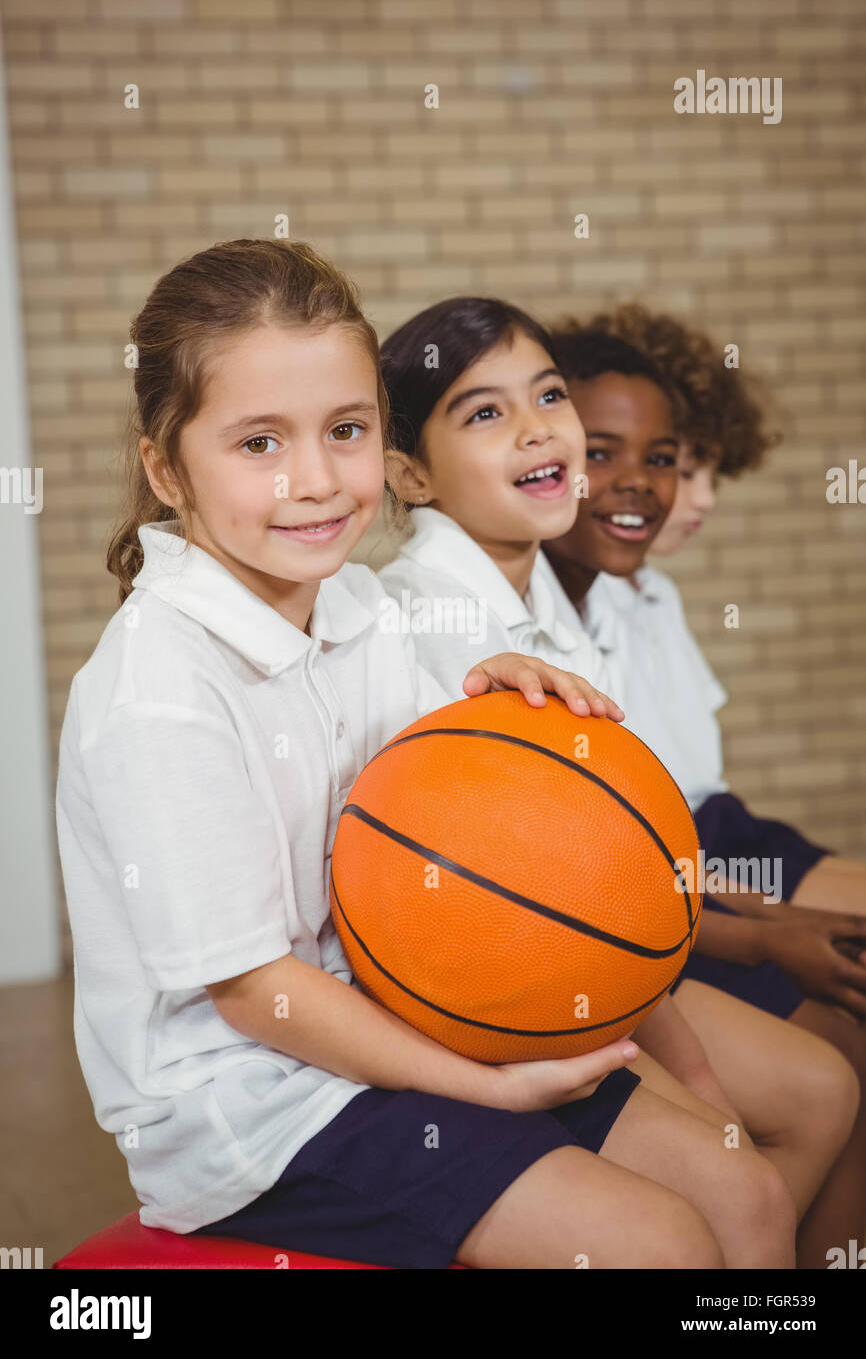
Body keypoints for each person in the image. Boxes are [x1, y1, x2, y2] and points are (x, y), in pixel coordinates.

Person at [54, 237, 809, 1271]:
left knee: (746, 1193)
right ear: (163, 465)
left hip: (408, 1007)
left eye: (346, 429)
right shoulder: (157, 690)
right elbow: (251, 990)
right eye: (258, 443)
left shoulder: (360, 611)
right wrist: (491, 1086)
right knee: (657, 1242)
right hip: (256, 1104)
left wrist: (513, 703)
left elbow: (481, 834)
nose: (314, 480)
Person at [372, 294, 858, 1267]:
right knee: (751, 1177)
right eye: (483, 412)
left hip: (590, 944)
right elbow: (528, 898)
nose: (534, 426)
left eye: (544, 395)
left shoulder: (549, 600)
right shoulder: (417, 623)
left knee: (811, 1098)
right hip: (503, 982)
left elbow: (625, 848)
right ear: (410, 473)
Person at [539, 321, 866, 1262]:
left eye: (672, 462)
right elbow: (608, 858)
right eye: (601, 454)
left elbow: (690, 805)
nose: (677, 494)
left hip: (692, 840)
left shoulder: (622, 593)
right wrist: (769, 931)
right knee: (830, 1047)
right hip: (647, 874)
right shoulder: (497, 607)